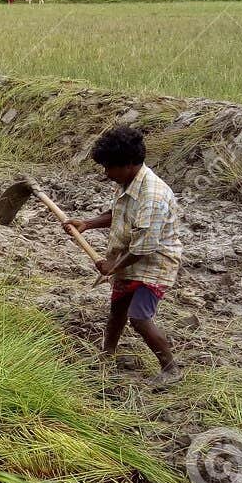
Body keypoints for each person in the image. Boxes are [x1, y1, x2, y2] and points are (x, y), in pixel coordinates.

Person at [63, 125, 184, 385]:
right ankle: (107, 355)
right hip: (129, 259)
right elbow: (117, 214)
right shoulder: (128, 181)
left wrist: (113, 265)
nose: (106, 173)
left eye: (109, 167)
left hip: (154, 264)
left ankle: (171, 368)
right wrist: (87, 223)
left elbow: (144, 247)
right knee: (117, 309)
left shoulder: (152, 196)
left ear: (128, 163)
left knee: (139, 317)